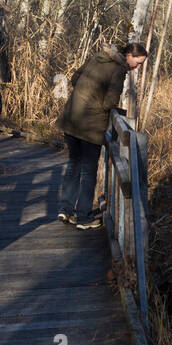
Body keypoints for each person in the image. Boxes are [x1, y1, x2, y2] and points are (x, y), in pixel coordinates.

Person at [55, 41, 147, 229]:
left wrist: (85, 95)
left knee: (73, 164)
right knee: (88, 171)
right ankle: (83, 217)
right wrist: (106, 106)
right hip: (91, 125)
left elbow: (74, 78)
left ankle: (65, 209)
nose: (137, 67)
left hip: (72, 118)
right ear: (128, 55)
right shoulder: (119, 69)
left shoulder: (97, 57)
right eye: (137, 62)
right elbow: (109, 102)